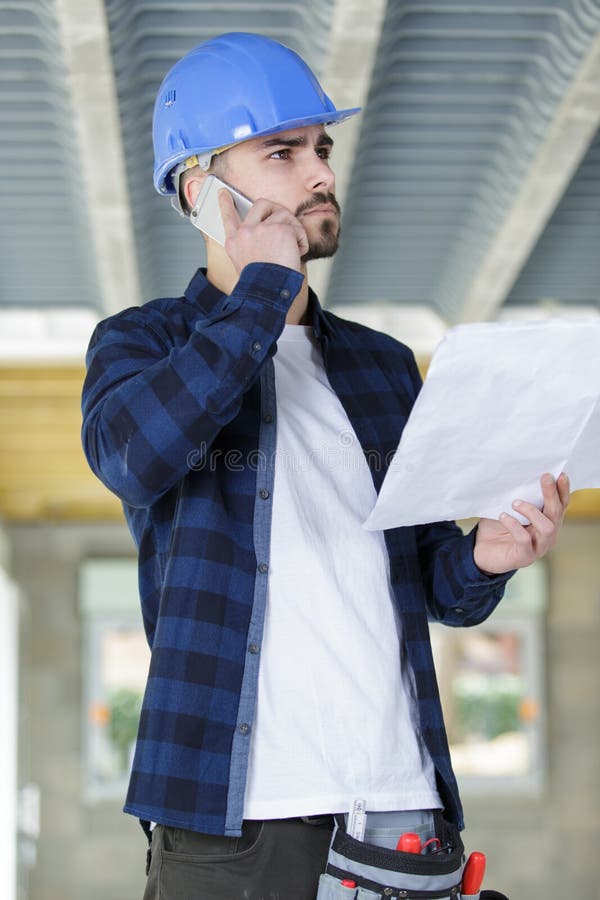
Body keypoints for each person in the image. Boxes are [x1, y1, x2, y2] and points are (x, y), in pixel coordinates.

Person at [81, 32, 569, 900]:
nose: (319, 175)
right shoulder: (144, 342)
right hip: (238, 824)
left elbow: (425, 581)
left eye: (321, 149)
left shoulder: (382, 367)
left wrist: (486, 557)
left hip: (402, 808)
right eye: (282, 152)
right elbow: (133, 457)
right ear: (202, 192)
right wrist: (264, 291)